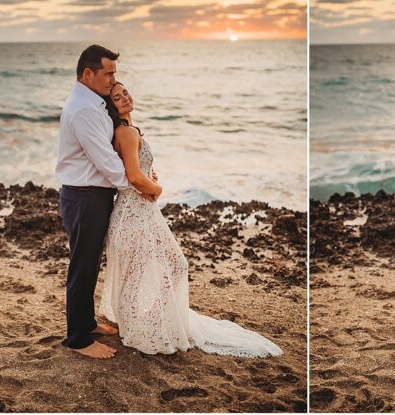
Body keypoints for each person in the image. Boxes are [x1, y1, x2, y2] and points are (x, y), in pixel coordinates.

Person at [99, 82, 283, 357]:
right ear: (111, 106)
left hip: (140, 211)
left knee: (150, 271)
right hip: (133, 213)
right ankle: (138, 325)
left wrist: (149, 183)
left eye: (125, 92)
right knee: (169, 267)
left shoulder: (128, 130)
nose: (124, 98)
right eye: (117, 97)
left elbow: (135, 173)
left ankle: (143, 320)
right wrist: (157, 189)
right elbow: (134, 177)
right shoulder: (125, 132)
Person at [55, 45, 157, 360]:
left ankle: (86, 323)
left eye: (114, 73)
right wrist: (139, 187)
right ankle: (77, 340)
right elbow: (107, 164)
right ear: (88, 73)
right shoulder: (84, 108)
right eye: (108, 73)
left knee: (89, 262)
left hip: (93, 196)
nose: (113, 80)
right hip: (85, 197)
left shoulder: (91, 102)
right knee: (83, 265)